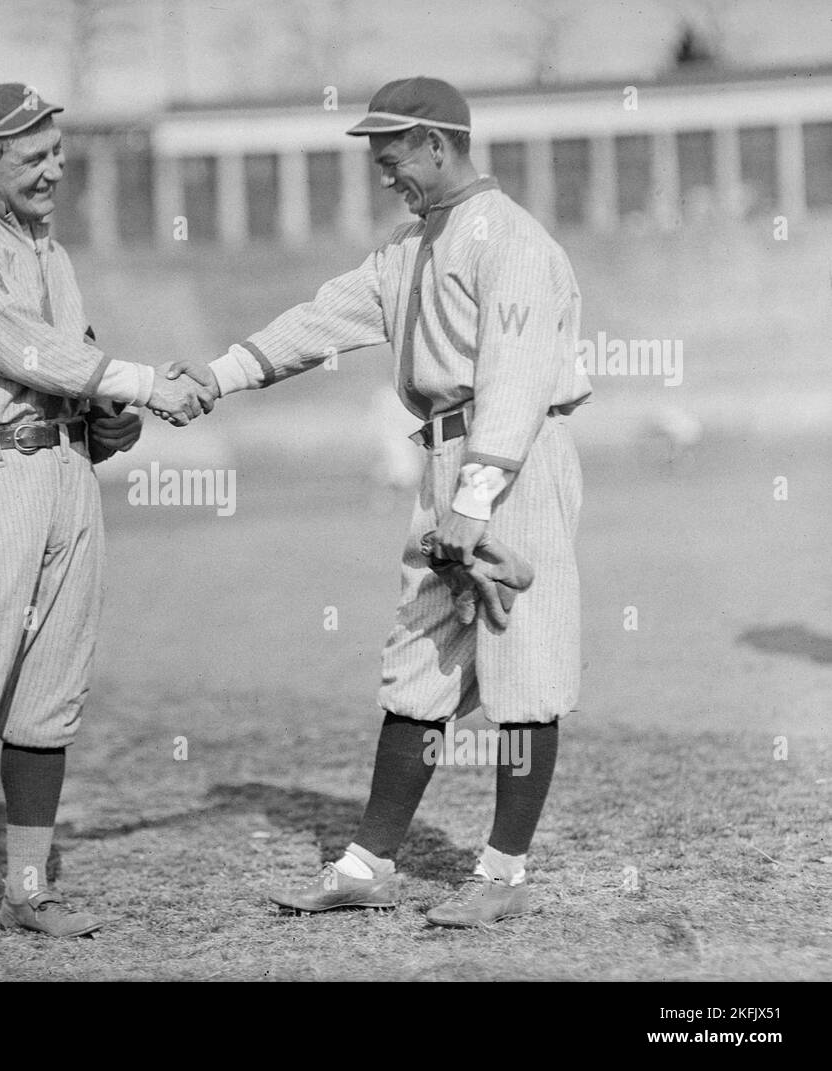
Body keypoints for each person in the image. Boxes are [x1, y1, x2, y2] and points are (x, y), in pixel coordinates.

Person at [168, 76, 592, 927]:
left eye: (393, 157)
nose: (385, 173)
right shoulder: (410, 246)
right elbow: (322, 318)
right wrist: (214, 378)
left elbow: (512, 382)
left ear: (438, 143)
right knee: (418, 664)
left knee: (522, 668)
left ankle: (503, 874)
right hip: (445, 461)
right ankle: (369, 863)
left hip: (511, 462)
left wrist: (476, 501)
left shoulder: (510, 239)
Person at [0, 82, 212, 974]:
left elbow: (71, 361)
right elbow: (18, 351)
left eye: (58, 153)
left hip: (62, 471)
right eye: (34, 158)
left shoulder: (48, 250)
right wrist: (142, 380)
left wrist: (114, 414)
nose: (54, 171)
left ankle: (28, 890)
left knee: (51, 688)